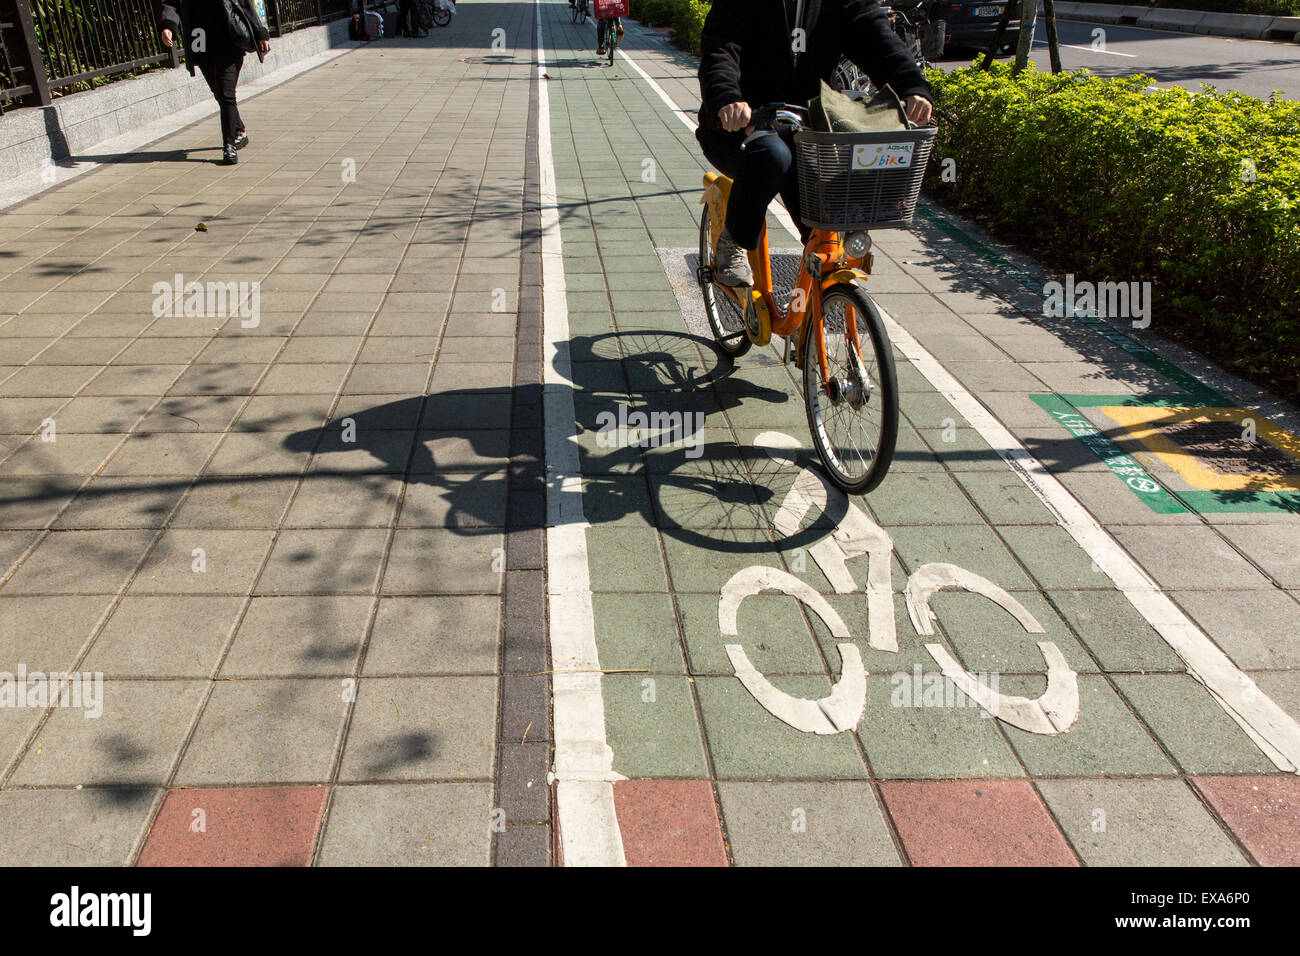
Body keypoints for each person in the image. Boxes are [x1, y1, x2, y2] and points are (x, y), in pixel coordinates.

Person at [697, 0, 933, 286]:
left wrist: (912, 86)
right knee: (772, 156)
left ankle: (808, 312)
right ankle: (733, 242)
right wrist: (727, 99)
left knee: (824, 232)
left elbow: (876, 37)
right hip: (741, 128)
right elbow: (721, 48)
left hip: (810, 132)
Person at [159, 0, 271, 166]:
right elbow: (172, 3)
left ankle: (229, 145)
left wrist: (260, 32)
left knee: (226, 94)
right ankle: (239, 129)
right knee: (218, 92)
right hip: (200, 39)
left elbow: (245, 4)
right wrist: (168, 26)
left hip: (229, 38)